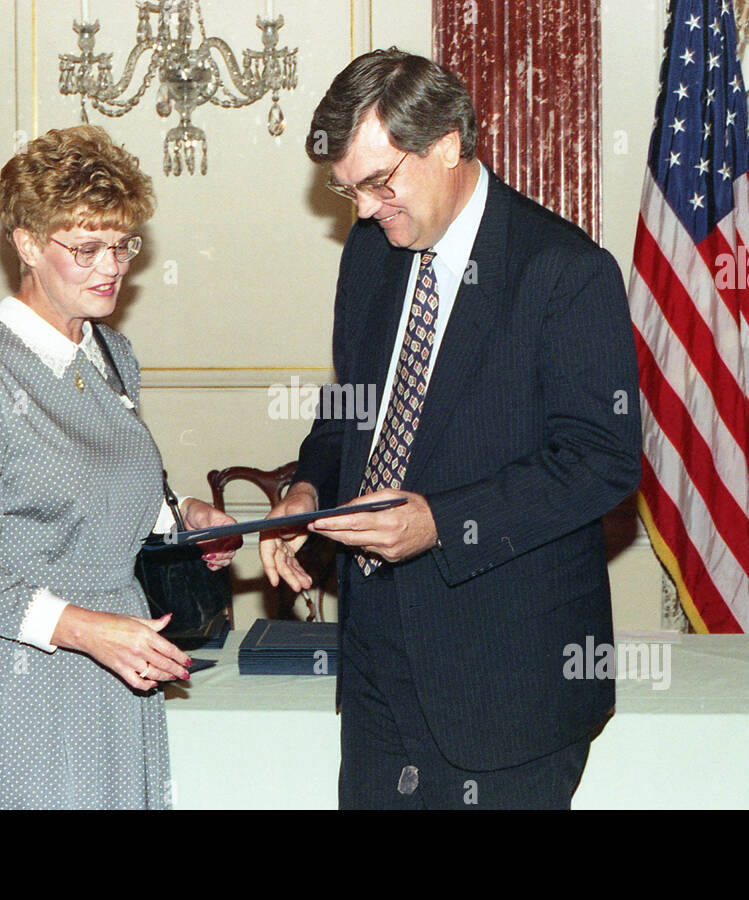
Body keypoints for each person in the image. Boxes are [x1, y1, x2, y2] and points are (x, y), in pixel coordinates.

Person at [260, 50, 642, 809]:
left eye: (378, 182)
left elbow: (603, 460)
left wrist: (442, 522)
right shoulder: (373, 254)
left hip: (506, 688)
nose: (365, 210)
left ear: (446, 144)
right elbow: (354, 415)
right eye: (348, 191)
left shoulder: (563, 270)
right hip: (375, 670)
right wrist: (307, 488)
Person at [0, 125, 236, 809]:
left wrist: (182, 518)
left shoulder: (112, 354)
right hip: (11, 666)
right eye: (86, 248)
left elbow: (93, 489)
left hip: (116, 652)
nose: (111, 266)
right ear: (26, 244)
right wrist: (84, 629)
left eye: (121, 245)